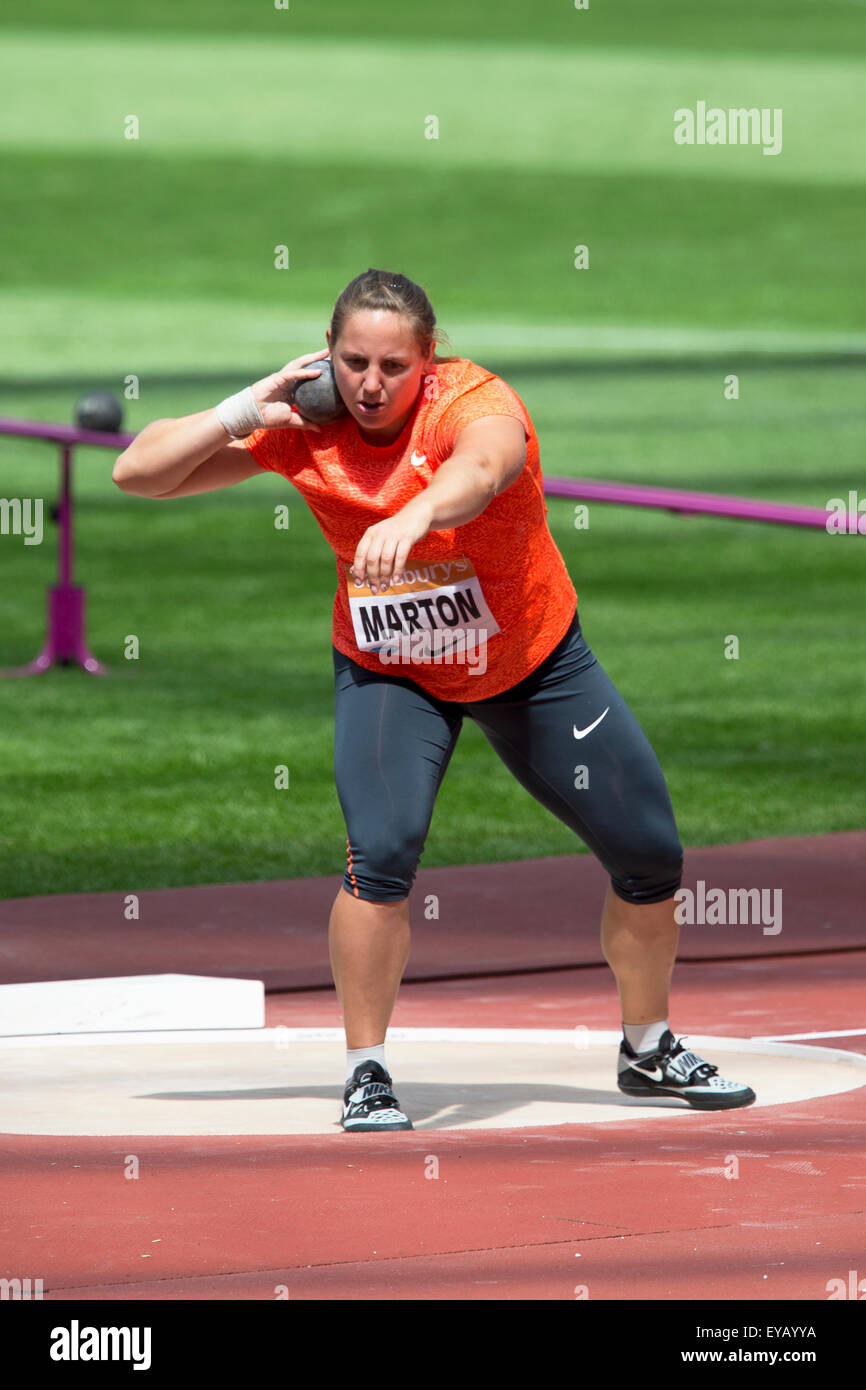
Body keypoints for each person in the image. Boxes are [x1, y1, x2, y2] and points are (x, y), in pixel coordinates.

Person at [113, 267, 756, 1131]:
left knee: (649, 855)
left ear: (430, 361)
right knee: (378, 856)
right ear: (327, 356)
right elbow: (138, 474)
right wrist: (243, 410)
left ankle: (648, 1048)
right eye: (352, 362)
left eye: (393, 366)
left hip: (532, 662)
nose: (371, 385)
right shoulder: (305, 426)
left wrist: (415, 516)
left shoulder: (471, 401)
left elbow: (486, 468)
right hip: (393, 670)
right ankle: (366, 1071)